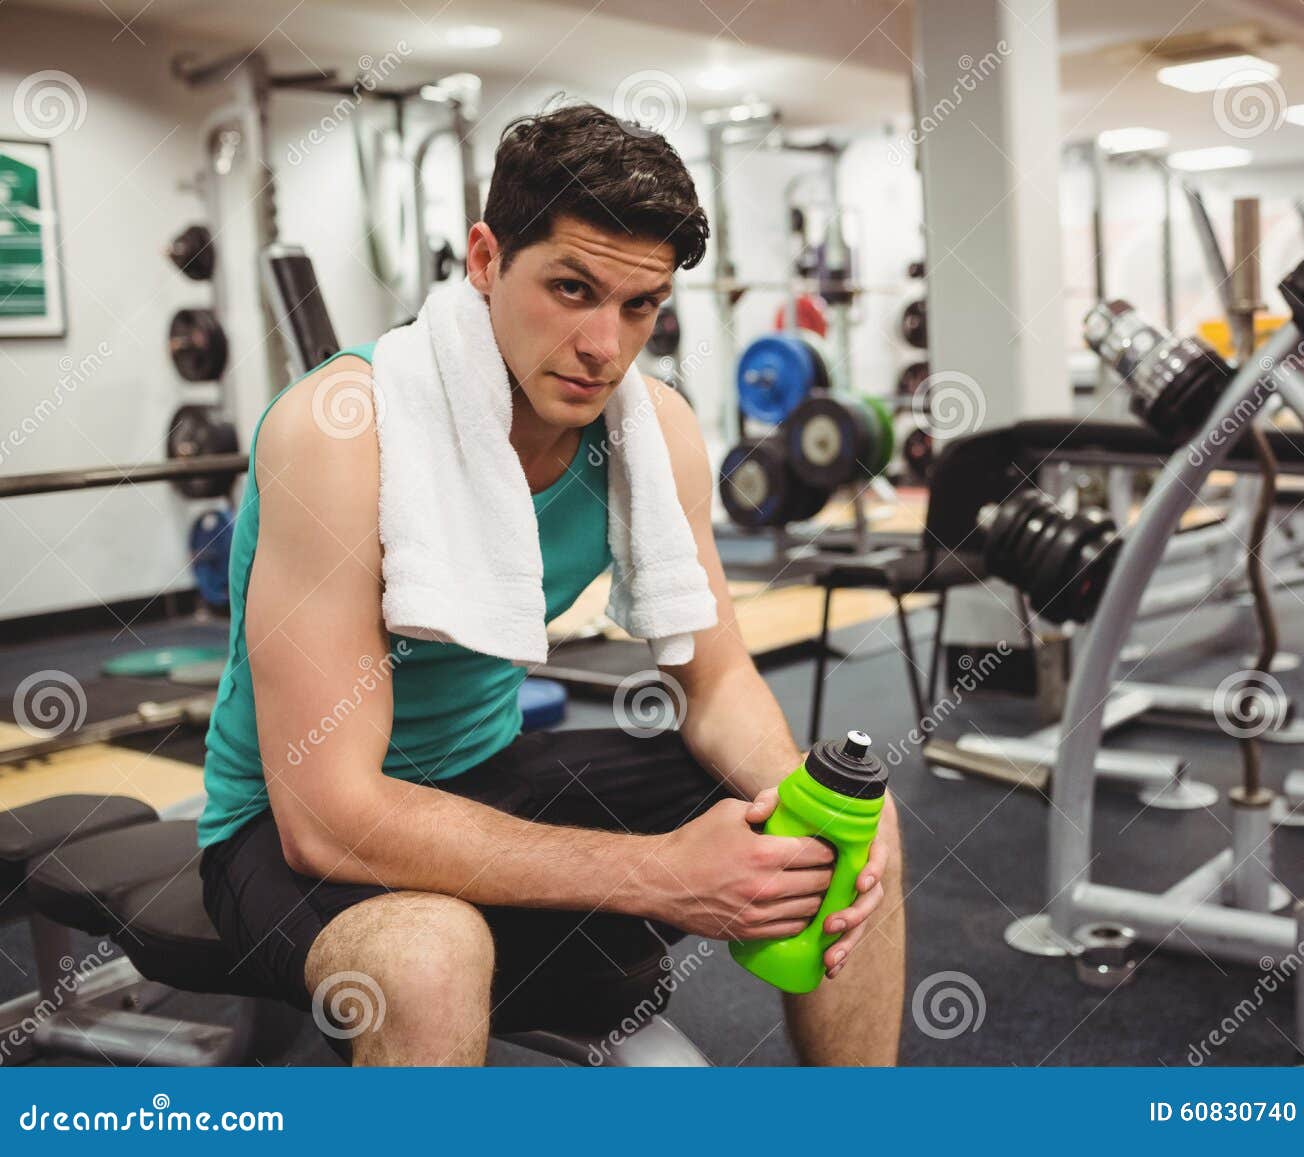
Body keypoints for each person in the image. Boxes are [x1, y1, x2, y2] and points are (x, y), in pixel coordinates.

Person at [196, 102, 904, 1066]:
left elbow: (721, 681)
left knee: (851, 818)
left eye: (639, 306)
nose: (604, 346)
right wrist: (661, 875)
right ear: (485, 260)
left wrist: (801, 813)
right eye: (571, 288)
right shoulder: (340, 433)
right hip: (281, 830)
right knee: (431, 953)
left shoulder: (656, 436)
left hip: (487, 777)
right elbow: (328, 819)